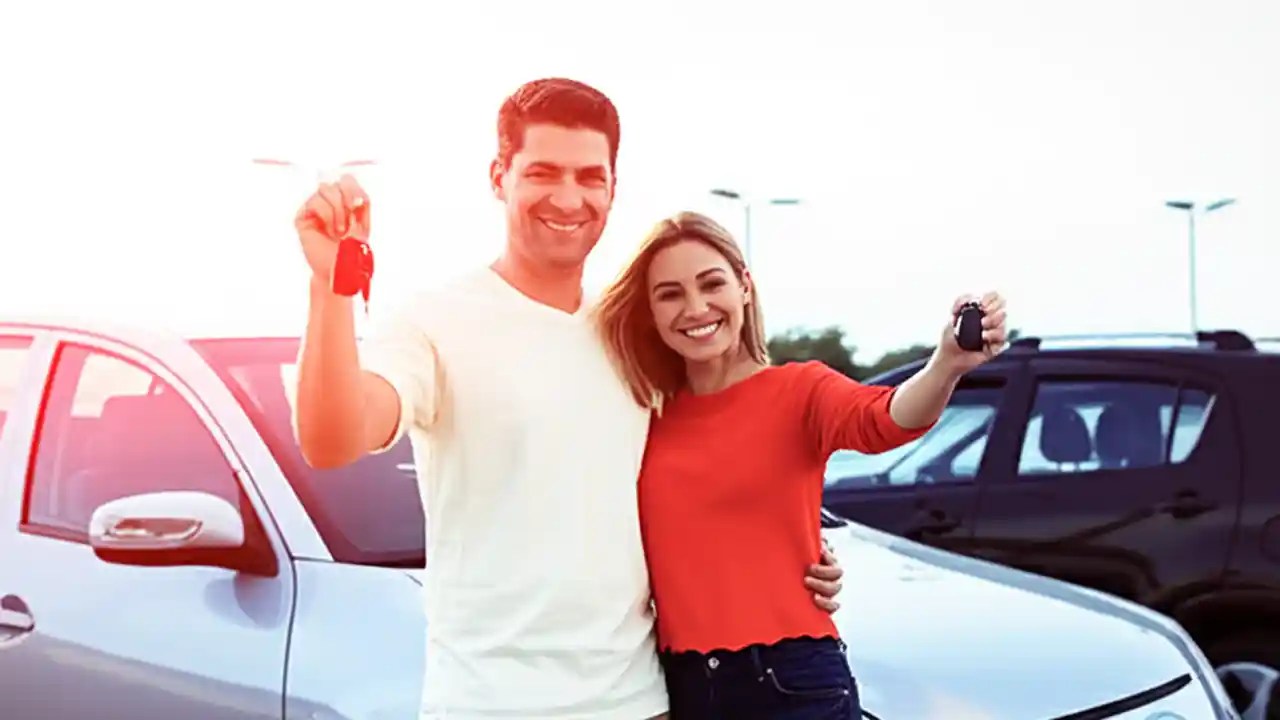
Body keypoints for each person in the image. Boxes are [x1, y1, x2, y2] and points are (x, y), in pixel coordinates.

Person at [289, 78, 845, 719]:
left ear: (612, 188)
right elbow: (331, 441)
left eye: (589, 176)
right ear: (499, 176)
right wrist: (332, 284)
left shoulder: (633, 327)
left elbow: (712, 462)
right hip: (490, 705)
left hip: (640, 702)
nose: (568, 197)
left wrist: (794, 552)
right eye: (543, 173)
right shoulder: (434, 321)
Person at [591, 211, 1009, 719]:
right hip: (683, 688)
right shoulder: (643, 417)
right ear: (651, 311)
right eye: (670, 293)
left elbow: (888, 417)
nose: (695, 307)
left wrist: (944, 364)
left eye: (711, 283)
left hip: (790, 680)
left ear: (744, 286)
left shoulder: (799, 391)